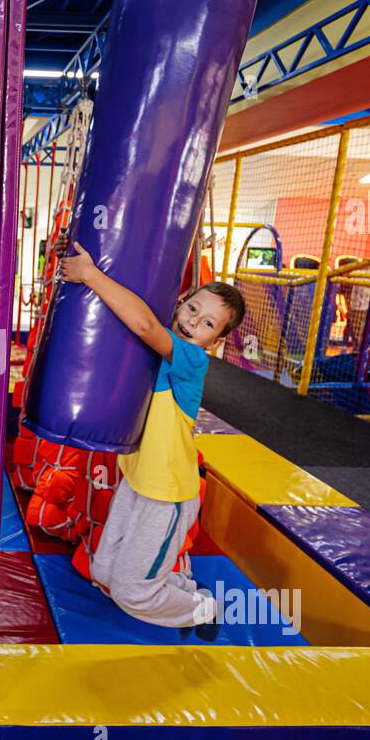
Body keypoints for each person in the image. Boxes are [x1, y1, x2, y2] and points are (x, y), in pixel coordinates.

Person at [60, 241, 245, 627]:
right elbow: (133, 317)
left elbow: (143, 323)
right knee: (105, 573)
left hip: (165, 494)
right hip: (136, 481)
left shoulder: (191, 360)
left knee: (131, 594)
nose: (194, 322)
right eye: (193, 308)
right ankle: (178, 584)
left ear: (217, 342)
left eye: (208, 324)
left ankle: (205, 610)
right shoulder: (158, 341)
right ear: (181, 301)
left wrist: (90, 274)